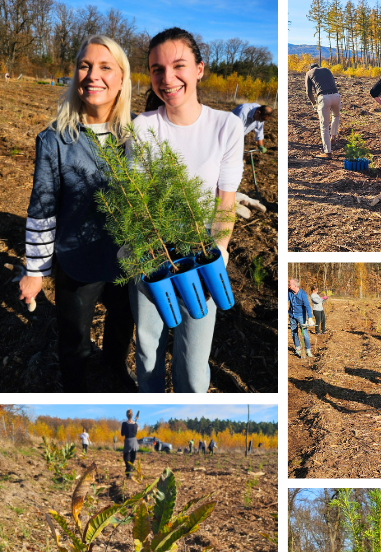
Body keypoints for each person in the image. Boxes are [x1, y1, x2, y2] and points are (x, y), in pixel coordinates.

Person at [20, 35, 136, 393]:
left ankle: (115, 366)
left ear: (121, 78)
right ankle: (74, 385)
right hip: (77, 260)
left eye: (105, 67)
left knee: (122, 324)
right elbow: (41, 209)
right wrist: (35, 272)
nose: (92, 75)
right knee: (74, 340)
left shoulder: (138, 135)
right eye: (84, 66)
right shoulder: (55, 139)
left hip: (126, 261)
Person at [130, 28, 242, 393]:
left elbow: (226, 201)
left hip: (201, 260)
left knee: (194, 369)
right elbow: (139, 205)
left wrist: (218, 253)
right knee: (148, 353)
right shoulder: (144, 128)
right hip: (152, 258)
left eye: (178, 66)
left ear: (199, 69)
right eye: (156, 69)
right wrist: (153, 255)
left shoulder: (226, 126)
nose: (167, 78)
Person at [306, 62, 340, 158]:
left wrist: (314, 104)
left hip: (324, 97)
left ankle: (327, 152)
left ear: (310, 69)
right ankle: (333, 137)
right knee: (336, 116)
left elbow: (308, 92)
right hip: (336, 96)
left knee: (324, 126)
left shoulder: (309, 73)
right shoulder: (327, 70)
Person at [288, 277, 313, 357]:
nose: (288, 285)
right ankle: (298, 349)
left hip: (301, 316)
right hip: (292, 315)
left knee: (304, 332)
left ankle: (308, 350)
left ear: (295, 285)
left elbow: (307, 306)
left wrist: (310, 318)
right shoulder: (289, 292)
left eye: (290, 284)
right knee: (294, 332)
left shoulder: (303, 294)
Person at [121, 408, 138, 480]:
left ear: (126, 415)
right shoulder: (136, 424)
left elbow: (122, 434)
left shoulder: (124, 424)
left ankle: (129, 470)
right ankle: (130, 469)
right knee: (132, 457)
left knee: (126, 457)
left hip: (128, 441)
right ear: (132, 415)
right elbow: (135, 433)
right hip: (134, 441)